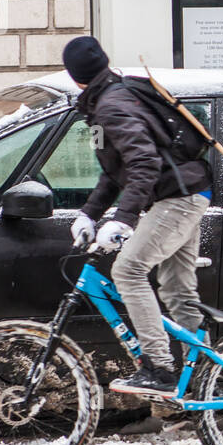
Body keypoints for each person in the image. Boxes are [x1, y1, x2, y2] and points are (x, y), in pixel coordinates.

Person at [62, 36, 213, 397]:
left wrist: (123, 219)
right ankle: (205, 376)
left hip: (177, 199)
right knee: (176, 289)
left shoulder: (112, 105)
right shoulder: (119, 93)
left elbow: (144, 163)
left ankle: (159, 369)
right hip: (188, 193)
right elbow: (117, 169)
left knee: (127, 270)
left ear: (75, 77)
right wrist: (90, 213)